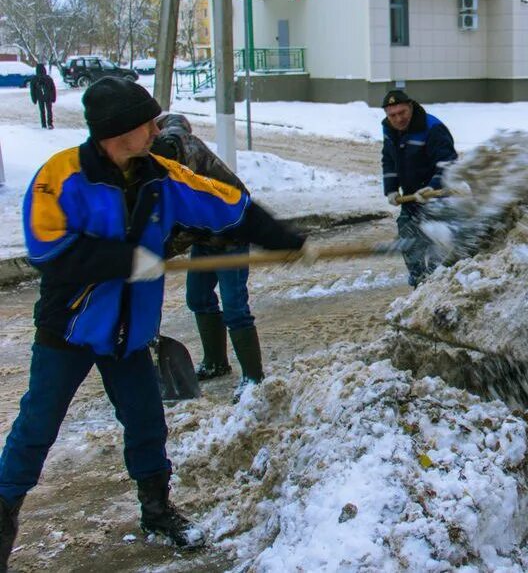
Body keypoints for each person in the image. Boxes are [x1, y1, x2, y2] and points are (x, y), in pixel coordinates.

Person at [0, 78, 308, 568]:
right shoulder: (60, 178)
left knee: (147, 424)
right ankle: (4, 513)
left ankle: (157, 509)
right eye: (147, 122)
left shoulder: (161, 176)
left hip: (129, 336)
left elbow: (227, 204)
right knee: (37, 427)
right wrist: (128, 260)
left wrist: (279, 235)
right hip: (70, 331)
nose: (155, 128)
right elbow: (47, 249)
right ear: (118, 131)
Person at [150, 114, 266, 402]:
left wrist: (160, 250)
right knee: (198, 297)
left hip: (232, 231)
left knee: (235, 305)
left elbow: (190, 220)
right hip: (207, 238)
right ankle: (216, 362)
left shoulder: (181, 160)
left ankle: (254, 377)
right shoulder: (168, 143)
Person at [380, 90, 458, 286]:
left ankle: (440, 286)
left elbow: (447, 163)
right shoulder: (389, 129)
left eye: (402, 112)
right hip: (411, 198)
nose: (398, 119)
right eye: (392, 115)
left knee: (436, 246)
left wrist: (432, 187)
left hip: (439, 200)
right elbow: (389, 159)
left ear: (411, 107)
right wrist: (390, 189)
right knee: (408, 239)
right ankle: (418, 283)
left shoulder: (432, 128)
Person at [28, 64, 56, 130]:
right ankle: (50, 124)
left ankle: (43, 124)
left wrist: (34, 99)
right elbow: (53, 88)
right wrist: (53, 97)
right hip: (48, 97)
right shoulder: (48, 78)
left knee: (42, 111)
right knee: (49, 110)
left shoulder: (34, 79)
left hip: (40, 97)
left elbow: (32, 90)